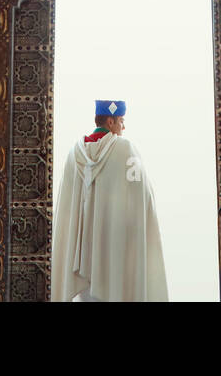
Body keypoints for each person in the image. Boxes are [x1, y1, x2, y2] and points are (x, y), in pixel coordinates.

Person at [51, 99, 169, 302]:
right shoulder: (126, 151)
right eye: (121, 121)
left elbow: (66, 210)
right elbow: (140, 197)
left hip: (82, 261)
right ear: (110, 122)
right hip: (115, 254)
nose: (124, 126)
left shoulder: (73, 156)